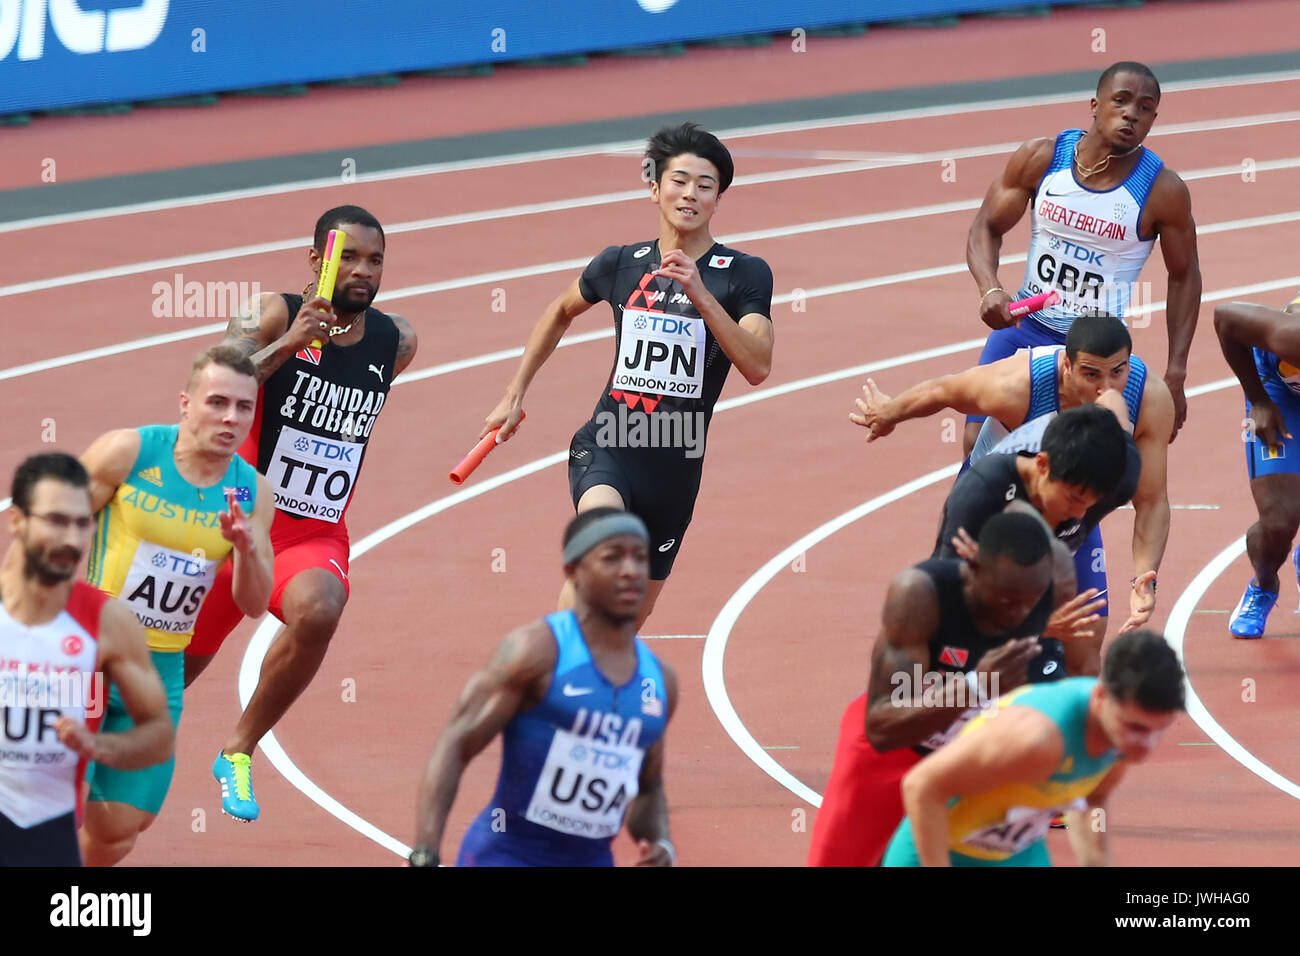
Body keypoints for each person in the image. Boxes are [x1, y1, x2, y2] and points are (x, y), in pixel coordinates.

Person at [480, 123, 774, 629]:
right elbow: (559, 310)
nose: (691, 194)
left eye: (705, 185)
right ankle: (553, 678)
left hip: (677, 466)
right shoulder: (620, 263)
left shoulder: (743, 274)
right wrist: (514, 392)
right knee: (605, 545)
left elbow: (757, 365)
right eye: (679, 180)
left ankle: (588, 695)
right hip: (608, 444)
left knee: (623, 627)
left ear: (718, 198)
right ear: (655, 188)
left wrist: (701, 294)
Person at [187, 205, 419, 822]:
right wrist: (291, 345)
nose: (364, 272)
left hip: (308, 535)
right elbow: (214, 391)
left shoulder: (397, 342)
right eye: (350, 258)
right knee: (160, 688)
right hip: (227, 527)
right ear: (317, 260)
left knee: (321, 607)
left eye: (376, 261)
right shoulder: (270, 314)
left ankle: (238, 748)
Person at [852, 313, 1171, 652]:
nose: (1105, 389)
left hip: (1067, 500)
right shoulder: (1016, 385)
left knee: (1086, 627)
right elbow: (943, 389)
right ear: (1067, 365)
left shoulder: (1149, 398)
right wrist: (889, 414)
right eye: (1090, 374)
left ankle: (1068, 700)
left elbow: (1151, 501)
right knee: (966, 613)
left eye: (1117, 373)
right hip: (995, 500)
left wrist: (1143, 579)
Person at [76, 346, 274, 863]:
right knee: (46, 798)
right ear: (186, 403)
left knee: (122, 824)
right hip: (90, 654)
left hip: (160, 672)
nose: (231, 418)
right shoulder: (131, 452)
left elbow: (254, 604)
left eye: (244, 407)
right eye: (217, 403)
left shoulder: (251, 493)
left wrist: (247, 549)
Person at [807, 512, 1077, 867]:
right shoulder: (919, 596)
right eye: (1007, 599)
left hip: (967, 757)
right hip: (894, 745)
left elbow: (1081, 678)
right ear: (974, 567)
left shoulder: (1057, 580)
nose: (1021, 614)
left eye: (1033, 601)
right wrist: (975, 686)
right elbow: (882, 728)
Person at [412, 508, 677, 867]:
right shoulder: (535, 652)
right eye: (612, 558)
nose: (630, 571)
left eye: (640, 558)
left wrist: (660, 842)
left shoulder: (658, 682)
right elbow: (455, 742)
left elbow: (648, 787)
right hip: (505, 857)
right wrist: (425, 850)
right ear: (574, 572)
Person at [964, 60, 1201, 456]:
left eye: (1144, 108)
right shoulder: (1041, 158)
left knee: (1074, 465)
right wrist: (989, 289)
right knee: (979, 447)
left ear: (1153, 119)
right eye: (1121, 101)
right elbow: (985, 227)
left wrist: (1176, 371)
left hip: (1094, 351)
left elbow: (1185, 276)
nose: (1131, 114)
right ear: (1094, 104)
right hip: (1024, 329)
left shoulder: (1163, 191)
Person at [882, 629, 1184, 867]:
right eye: (1137, 728)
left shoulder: (1120, 738)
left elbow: (1093, 799)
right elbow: (920, 786)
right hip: (938, 851)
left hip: (1017, 855)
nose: (1147, 746)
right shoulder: (1037, 738)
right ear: (1101, 696)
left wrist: (1095, 861)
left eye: (1161, 730)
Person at [1, 453, 172, 867]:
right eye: (56, 521)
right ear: (18, 521)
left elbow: (158, 734)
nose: (72, 539)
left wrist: (101, 745)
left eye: (82, 523)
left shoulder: (109, 622)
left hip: (44, 832)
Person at [930, 404, 1138, 677]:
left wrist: (1107, 393)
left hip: (1039, 586)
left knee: (1067, 687)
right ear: (1042, 464)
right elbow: (946, 606)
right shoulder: (981, 492)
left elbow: (1114, 402)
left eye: (1091, 504)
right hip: (980, 604)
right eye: (1073, 499)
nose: (1079, 514)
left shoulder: (1117, 480)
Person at [1213, 293, 1300, 636]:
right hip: (1278, 391)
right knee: (1279, 521)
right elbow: (1225, 318)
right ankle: (1264, 585)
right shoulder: (1290, 335)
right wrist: (1258, 400)